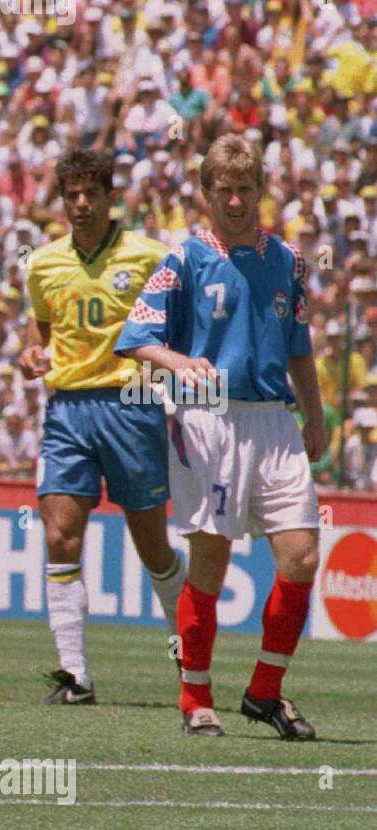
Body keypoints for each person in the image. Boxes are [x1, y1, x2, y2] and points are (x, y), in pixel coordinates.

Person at [115, 134, 324, 739]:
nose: (236, 200)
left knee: (303, 556)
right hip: (209, 416)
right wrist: (179, 365)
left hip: (276, 420)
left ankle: (264, 691)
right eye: (224, 189)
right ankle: (194, 698)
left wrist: (315, 414)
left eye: (246, 188)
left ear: (261, 191)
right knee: (211, 560)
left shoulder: (286, 260)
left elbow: (299, 347)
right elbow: (135, 339)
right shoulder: (186, 258)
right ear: (207, 194)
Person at [20, 150, 188, 705]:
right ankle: (75, 676)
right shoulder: (43, 264)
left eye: (92, 193)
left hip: (132, 404)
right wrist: (31, 353)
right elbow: (40, 330)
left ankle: (190, 650)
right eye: (72, 195)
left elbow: (181, 323)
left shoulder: (148, 256)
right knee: (59, 535)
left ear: (110, 197)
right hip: (68, 408)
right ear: (63, 200)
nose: (82, 204)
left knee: (152, 549)